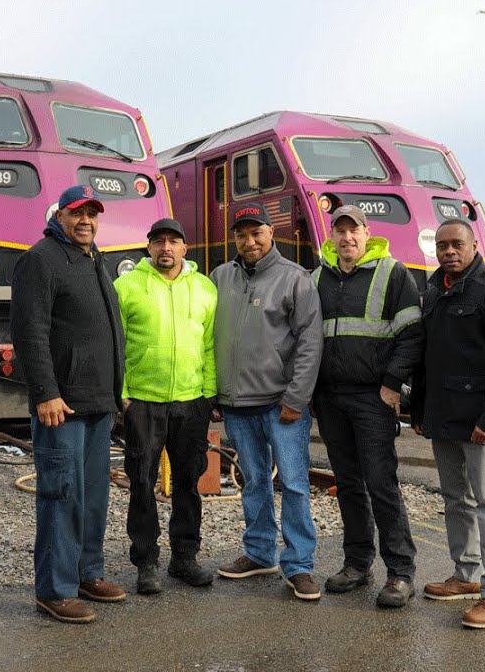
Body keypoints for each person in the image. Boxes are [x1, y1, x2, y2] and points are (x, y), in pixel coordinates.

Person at [9, 184, 128, 624]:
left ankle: (87, 573)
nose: (86, 221)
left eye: (93, 214)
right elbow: (29, 332)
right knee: (61, 494)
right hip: (63, 403)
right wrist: (45, 392)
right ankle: (54, 589)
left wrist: (119, 388)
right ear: (60, 215)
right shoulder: (40, 260)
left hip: (99, 401)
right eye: (78, 213)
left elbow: (108, 329)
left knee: (93, 494)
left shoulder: (94, 258)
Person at [410, 217, 485, 629]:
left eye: (456, 244)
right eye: (441, 246)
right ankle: (467, 575)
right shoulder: (433, 292)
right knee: (456, 499)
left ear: (474, 244)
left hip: (481, 420)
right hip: (443, 418)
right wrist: (420, 410)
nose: (448, 252)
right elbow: (428, 359)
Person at [210, 202, 324, 601]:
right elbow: (210, 336)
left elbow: (311, 342)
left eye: (256, 232)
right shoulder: (220, 276)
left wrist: (297, 397)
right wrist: (215, 392)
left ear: (271, 233)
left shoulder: (296, 279)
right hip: (237, 404)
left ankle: (299, 565)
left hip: (281, 404)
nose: (249, 240)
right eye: (242, 234)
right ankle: (260, 553)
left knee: (293, 484)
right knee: (254, 481)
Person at [311, 206, 423, 608]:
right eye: (340, 231)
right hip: (330, 398)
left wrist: (393, 385)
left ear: (366, 232)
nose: (347, 238)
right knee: (349, 484)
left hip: (371, 398)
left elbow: (412, 333)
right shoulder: (318, 276)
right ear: (333, 235)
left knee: (381, 484)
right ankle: (358, 563)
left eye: (353, 230)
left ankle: (401, 573)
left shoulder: (392, 273)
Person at [113, 217, 219, 595]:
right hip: (142, 401)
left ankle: (184, 558)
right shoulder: (126, 287)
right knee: (141, 482)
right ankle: (146, 562)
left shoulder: (205, 288)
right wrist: (122, 394)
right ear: (149, 248)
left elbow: (208, 345)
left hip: (191, 402)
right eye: (158, 242)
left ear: (185, 248)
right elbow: (117, 345)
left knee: (189, 482)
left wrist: (209, 394)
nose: (166, 249)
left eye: (173, 241)